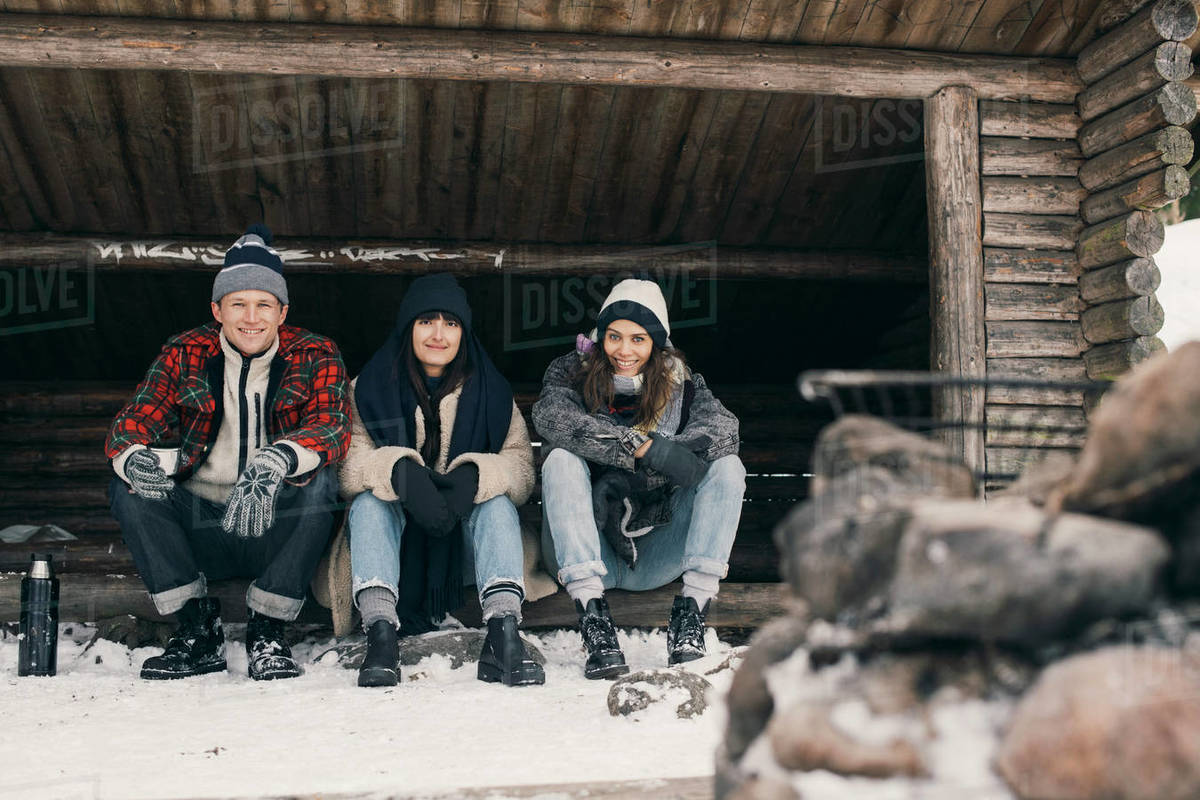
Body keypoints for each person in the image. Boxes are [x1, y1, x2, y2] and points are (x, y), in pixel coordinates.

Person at [106, 224, 350, 681]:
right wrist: (133, 455)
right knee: (129, 487)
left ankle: (269, 629)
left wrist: (276, 459)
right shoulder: (184, 352)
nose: (251, 317)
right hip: (200, 530)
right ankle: (196, 630)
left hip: (272, 527)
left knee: (322, 484)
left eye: (264, 304)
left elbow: (332, 426)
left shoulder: (316, 353)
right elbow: (135, 418)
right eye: (238, 303)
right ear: (217, 309)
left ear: (282, 312)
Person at [324, 273, 548, 688]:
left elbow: (521, 465)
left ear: (464, 332)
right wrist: (398, 472)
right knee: (369, 503)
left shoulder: (492, 392)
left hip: (466, 553)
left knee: (497, 503)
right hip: (392, 549)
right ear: (408, 327)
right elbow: (346, 464)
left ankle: (503, 635)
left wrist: (476, 476)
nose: (438, 334)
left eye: (451, 323)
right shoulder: (368, 387)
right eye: (426, 321)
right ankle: (381, 636)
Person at [533, 277, 745, 678]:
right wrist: (640, 447)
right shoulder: (570, 373)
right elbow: (552, 418)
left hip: (656, 550)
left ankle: (692, 616)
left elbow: (724, 431)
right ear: (601, 338)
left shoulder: (685, 384)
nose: (624, 350)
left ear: (657, 344)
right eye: (614, 337)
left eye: (638, 339)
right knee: (561, 458)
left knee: (728, 466)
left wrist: (675, 449)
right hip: (585, 549)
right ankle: (594, 622)